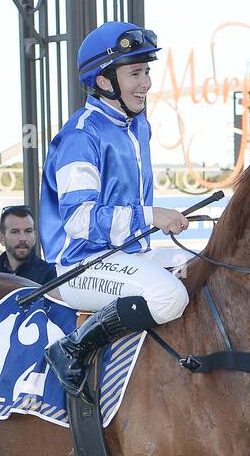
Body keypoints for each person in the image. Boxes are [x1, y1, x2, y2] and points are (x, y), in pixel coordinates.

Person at [40, 20, 192, 394]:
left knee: (204, 272)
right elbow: (78, 220)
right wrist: (153, 215)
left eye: (146, 72)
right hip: (80, 264)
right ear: (105, 80)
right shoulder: (81, 135)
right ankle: (72, 349)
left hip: (129, 258)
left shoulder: (138, 125)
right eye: (135, 73)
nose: (146, 83)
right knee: (169, 296)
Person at [0, 205, 56, 285]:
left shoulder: (49, 275)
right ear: (2, 239)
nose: (23, 238)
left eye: (28, 231)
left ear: (34, 237)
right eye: (15, 232)